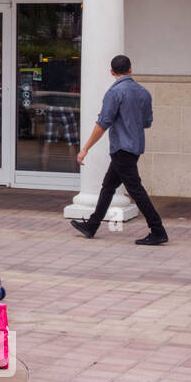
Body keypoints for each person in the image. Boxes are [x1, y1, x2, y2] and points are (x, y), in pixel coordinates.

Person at [71, 54, 167, 245]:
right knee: (108, 186)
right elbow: (147, 123)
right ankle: (92, 225)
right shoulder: (144, 93)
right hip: (135, 147)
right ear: (130, 69)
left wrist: (85, 149)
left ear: (112, 72)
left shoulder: (114, 93)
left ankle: (158, 230)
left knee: (135, 189)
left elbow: (103, 123)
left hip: (121, 147)